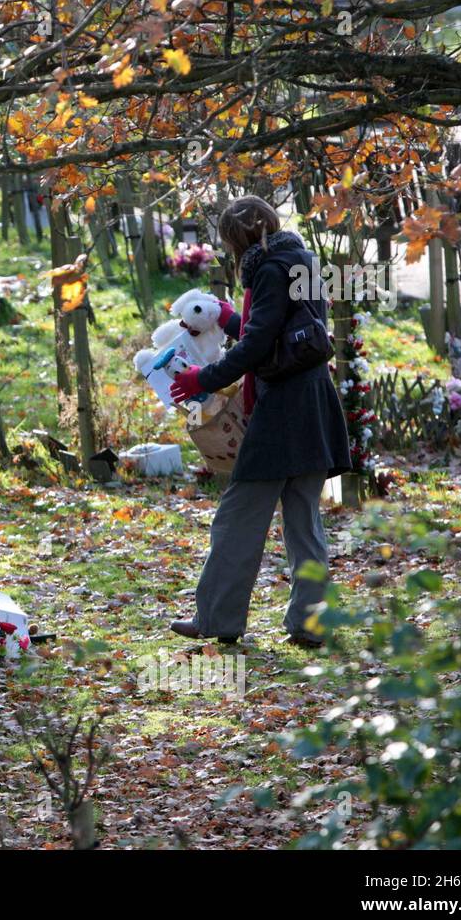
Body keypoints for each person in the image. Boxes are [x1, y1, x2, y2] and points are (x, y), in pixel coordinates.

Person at [168, 196, 351, 648]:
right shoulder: (300, 261)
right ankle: (312, 624)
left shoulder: (267, 270)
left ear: (237, 240)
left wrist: (201, 378)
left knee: (237, 518)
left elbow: (256, 349)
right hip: (314, 405)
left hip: (282, 413)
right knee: (304, 521)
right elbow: (283, 336)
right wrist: (234, 320)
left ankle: (217, 619)